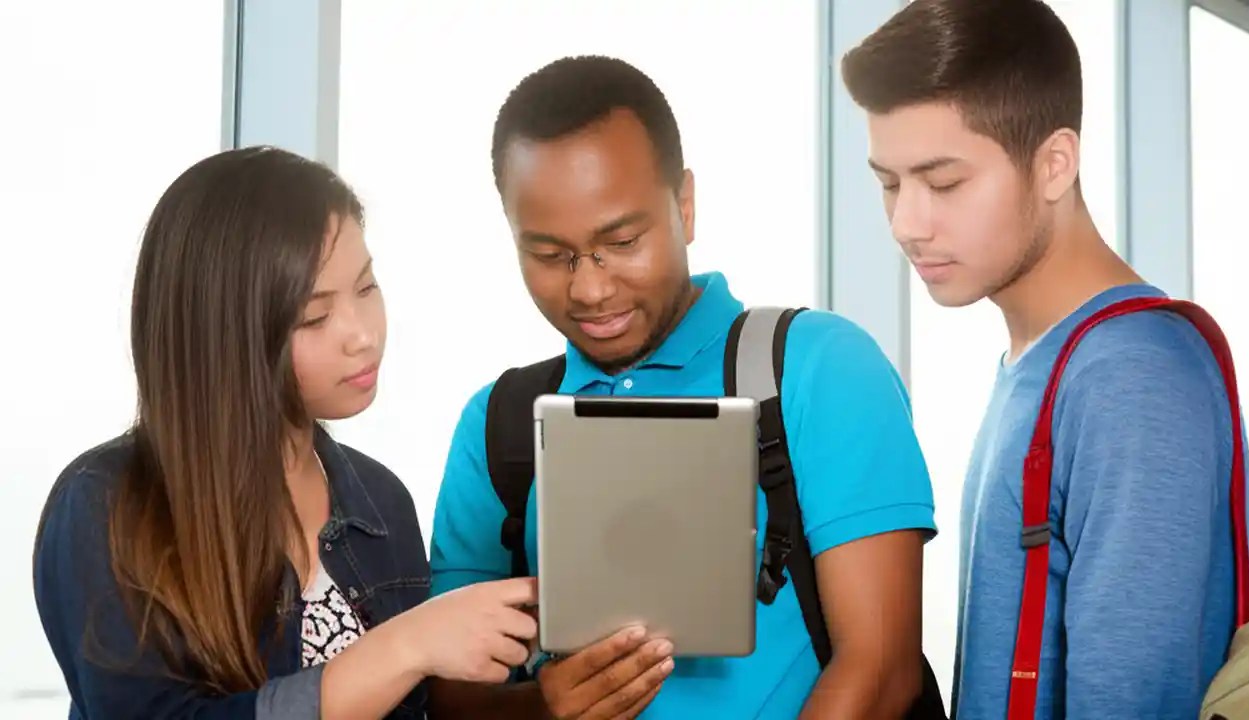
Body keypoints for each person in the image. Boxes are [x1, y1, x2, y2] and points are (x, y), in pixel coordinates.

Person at [425, 55, 937, 720]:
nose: (590, 288)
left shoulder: (820, 367)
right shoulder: (497, 426)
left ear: (685, 206)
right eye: (551, 255)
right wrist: (541, 707)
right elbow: (445, 696)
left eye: (623, 240)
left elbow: (879, 672)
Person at [841, 1, 1249, 718]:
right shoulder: (1044, 359)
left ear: (1054, 163)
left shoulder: (1132, 375)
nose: (907, 223)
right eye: (888, 183)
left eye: (943, 184)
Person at [32, 146, 539, 719]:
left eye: (367, 288)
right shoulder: (107, 506)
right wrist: (406, 646)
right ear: (223, 334)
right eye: (315, 317)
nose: (362, 335)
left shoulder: (380, 501)